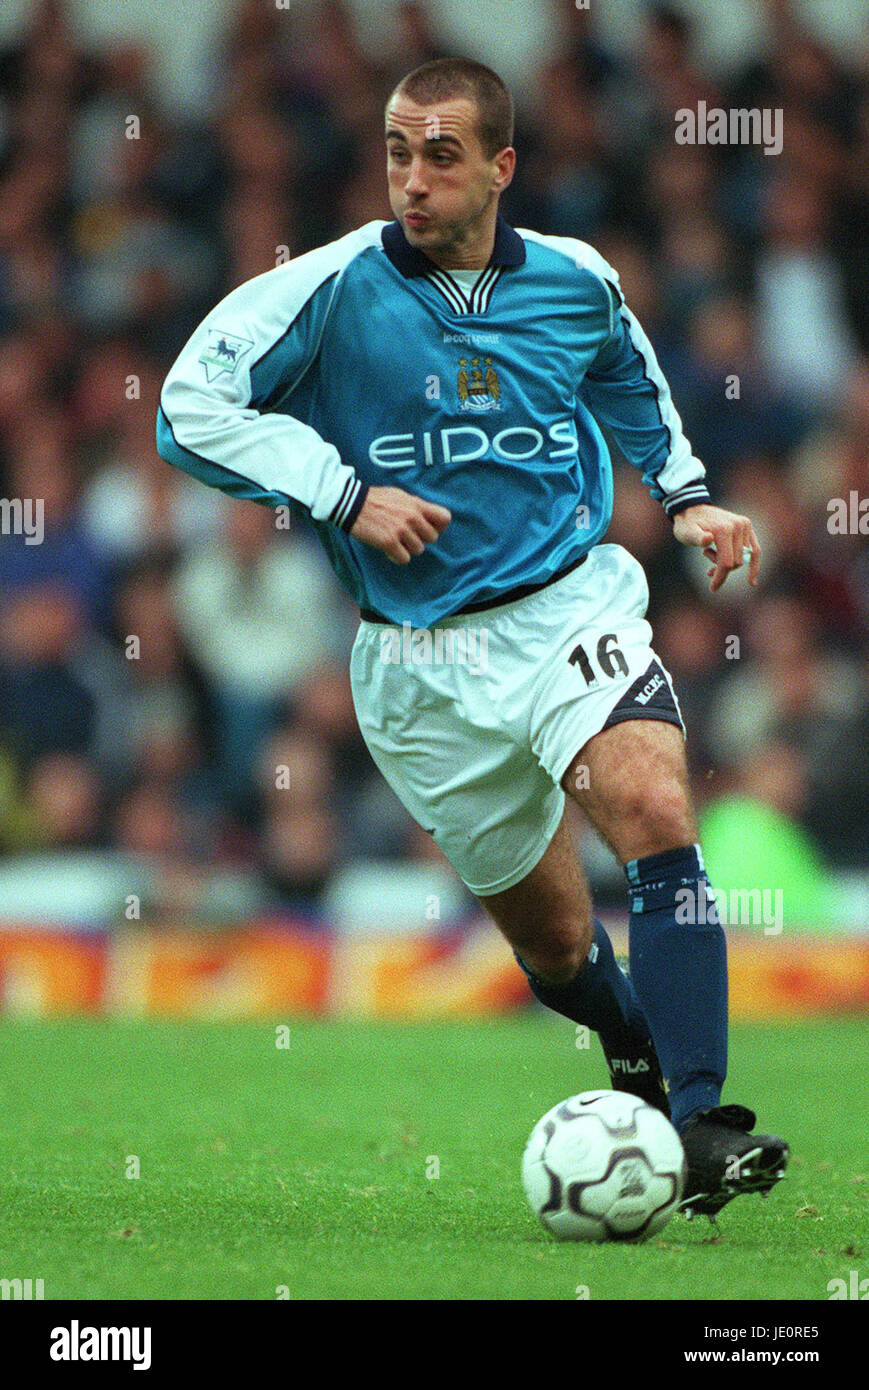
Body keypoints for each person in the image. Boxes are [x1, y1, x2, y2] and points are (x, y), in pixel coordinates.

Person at [157, 58, 788, 1220]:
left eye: (440, 156)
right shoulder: (325, 287)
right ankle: (637, 1062)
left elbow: (625, 377)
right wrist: (342, 493)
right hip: (417, 669)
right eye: (397, 151)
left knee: (651, 804)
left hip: (566, 612)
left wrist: (685, 489)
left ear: (500, 166)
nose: (412, 179)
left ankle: (698, 1120)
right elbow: (188, 406)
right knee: (554, 948)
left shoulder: (573, 279)